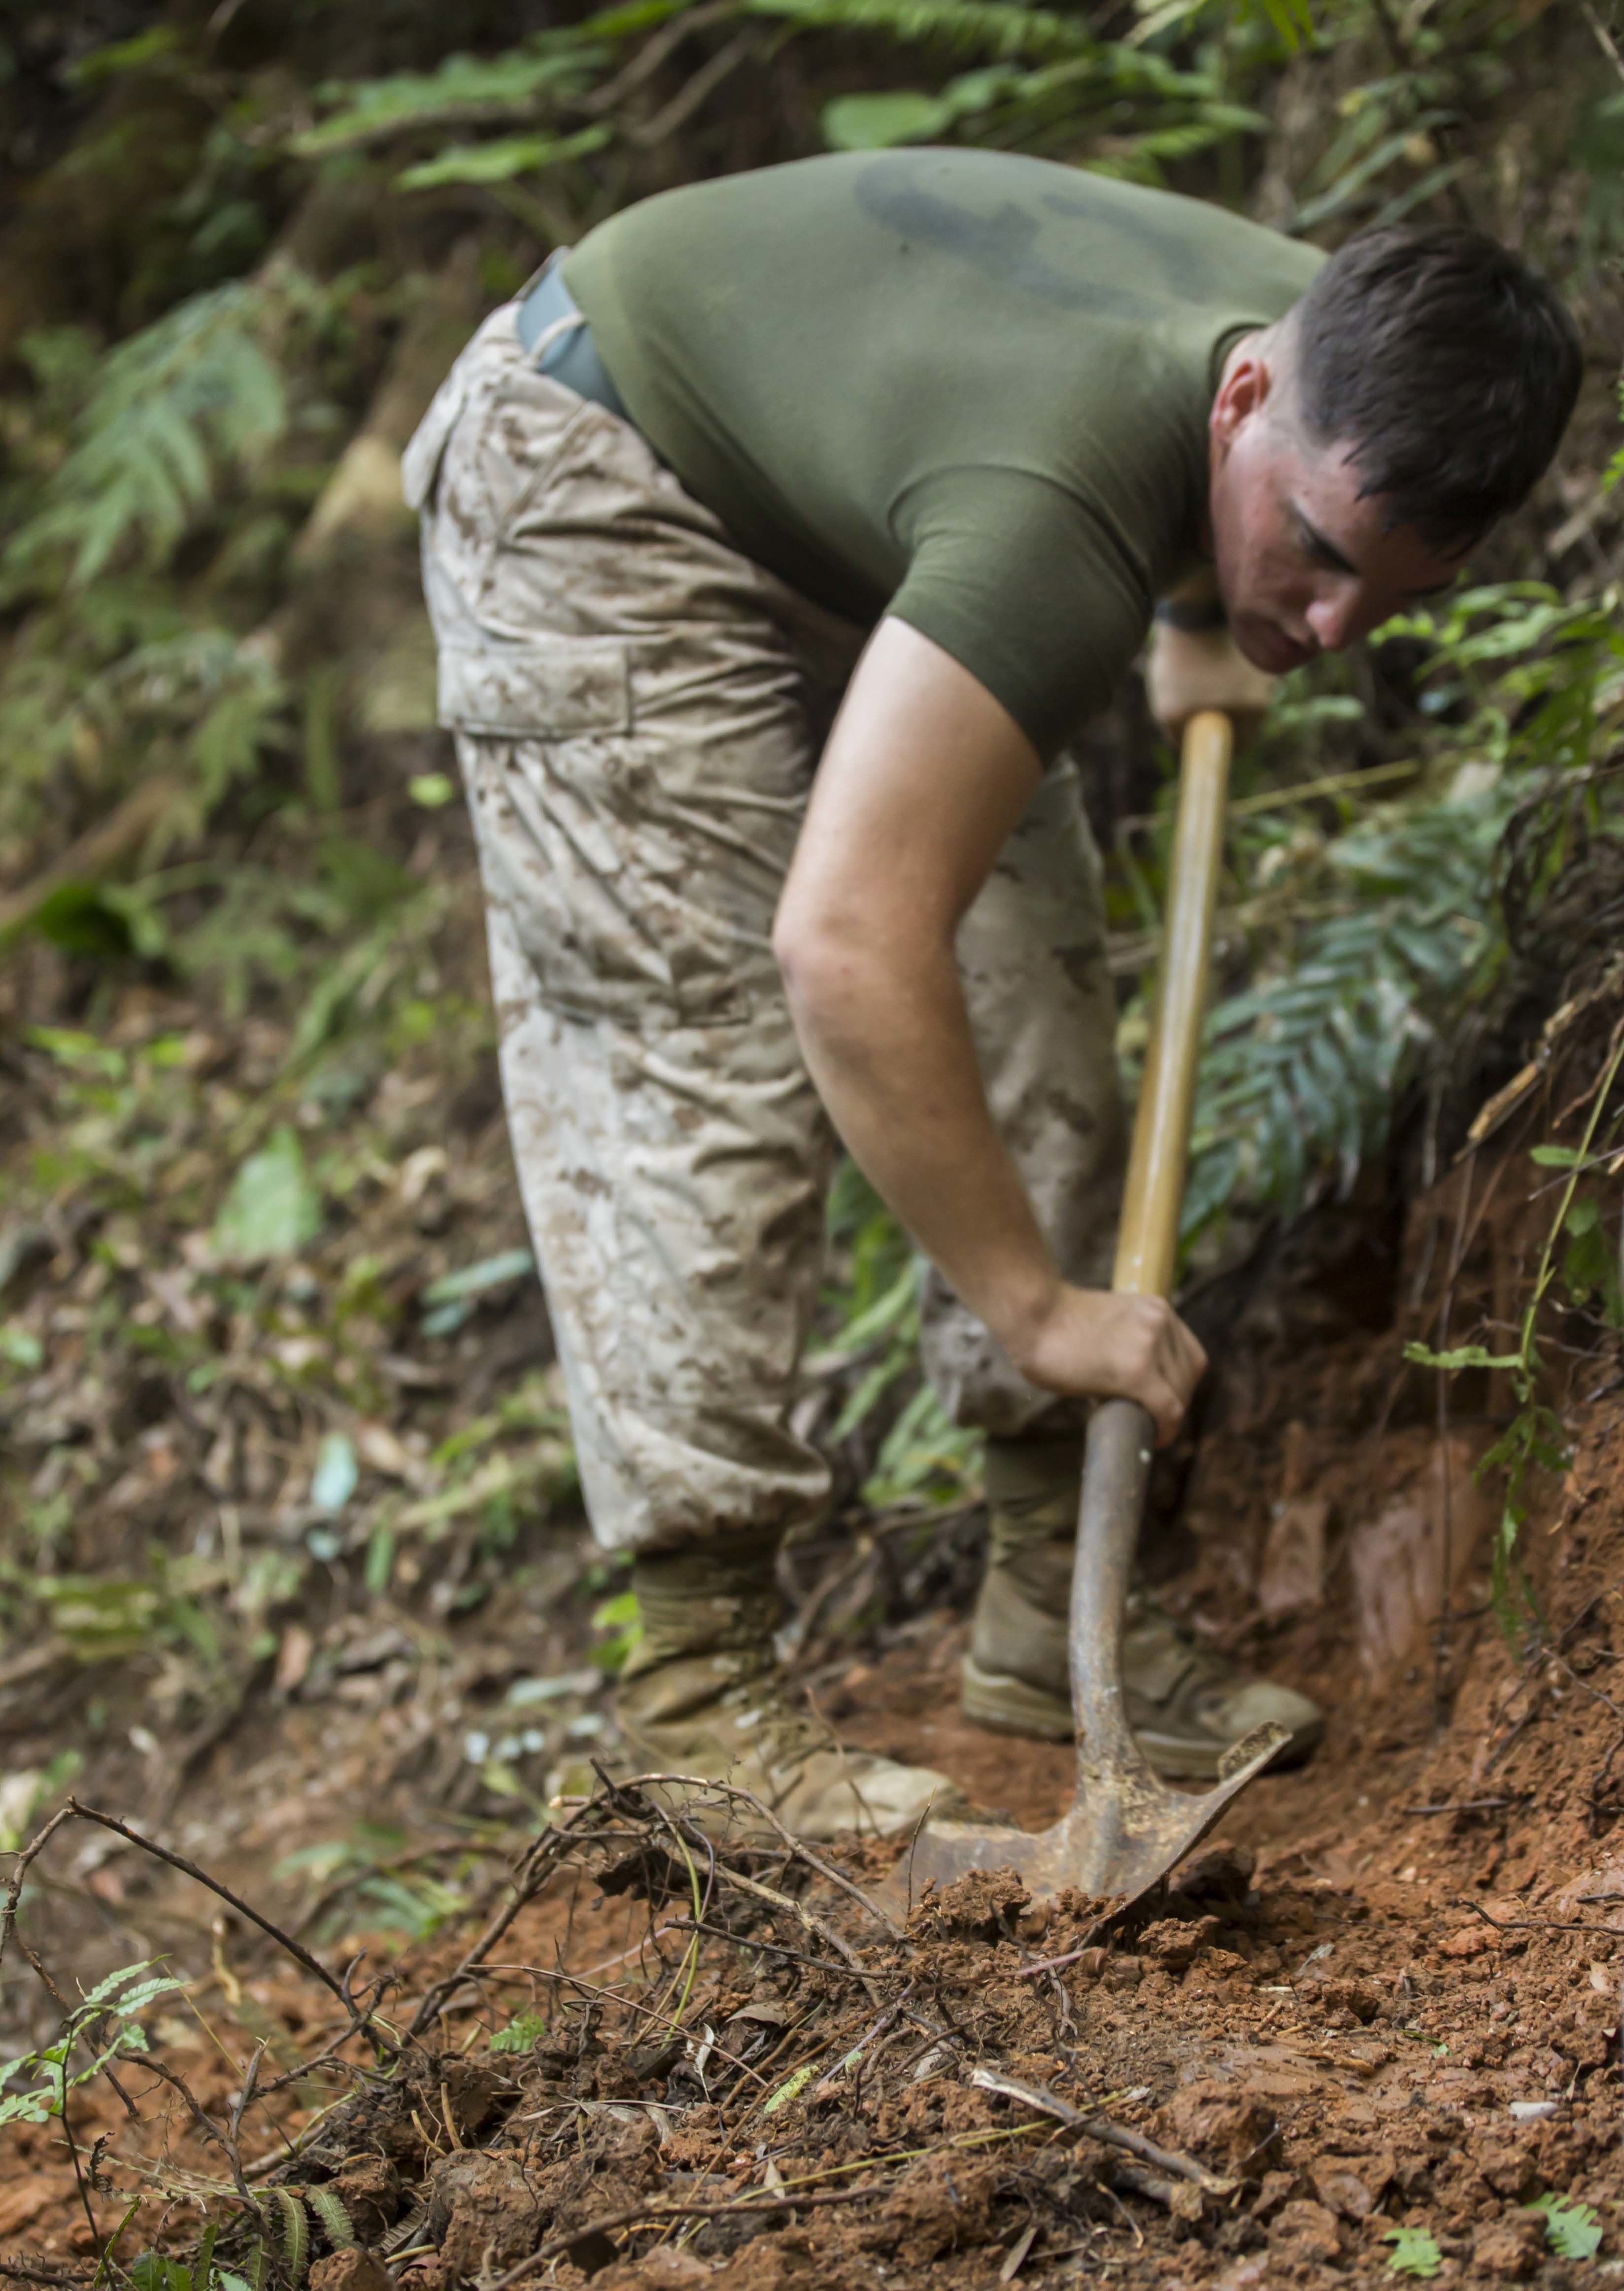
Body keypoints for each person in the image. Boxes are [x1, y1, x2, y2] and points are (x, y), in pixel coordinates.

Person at [404, 149, 1581, 1840]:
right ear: (1242, 396)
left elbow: (1219, 500)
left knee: (1034, 993)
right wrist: (1034, 1304)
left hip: (878, 508)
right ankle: (697, 1693)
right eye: (1311, 559)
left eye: (1393, 597)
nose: (1330, 627)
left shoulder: (1355, 349)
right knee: (710, 1047)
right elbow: (844, 948)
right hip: (598, 472)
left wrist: (1217, 589)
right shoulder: (1060, 508)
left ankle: (1050, 1599)